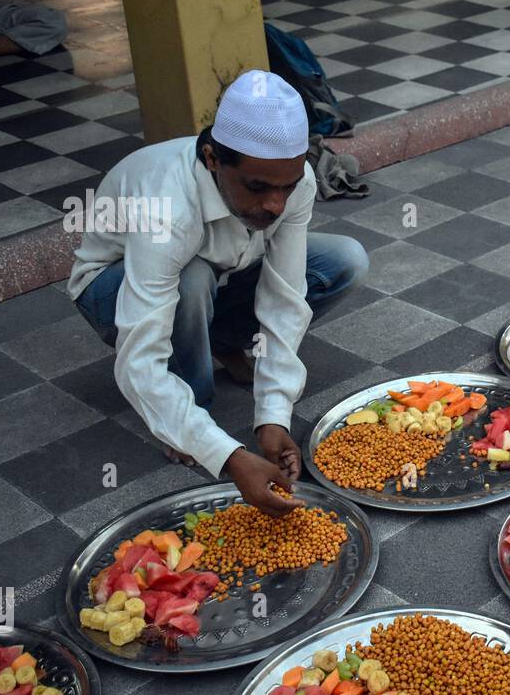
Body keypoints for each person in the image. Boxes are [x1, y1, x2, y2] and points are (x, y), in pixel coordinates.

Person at [68, 70, 369, 517]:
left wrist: (273, 414)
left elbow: (284, 296)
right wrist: (226, 455)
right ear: (212, 158)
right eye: (258, 187)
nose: (275, 205)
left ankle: (221, 343)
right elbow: (138, 360)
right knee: (191, 279)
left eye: (285, 187)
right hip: (113, 291)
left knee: (345, 259)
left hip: (222, 274)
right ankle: (188, 416)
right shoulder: (165, 208)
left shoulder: (295, 180)